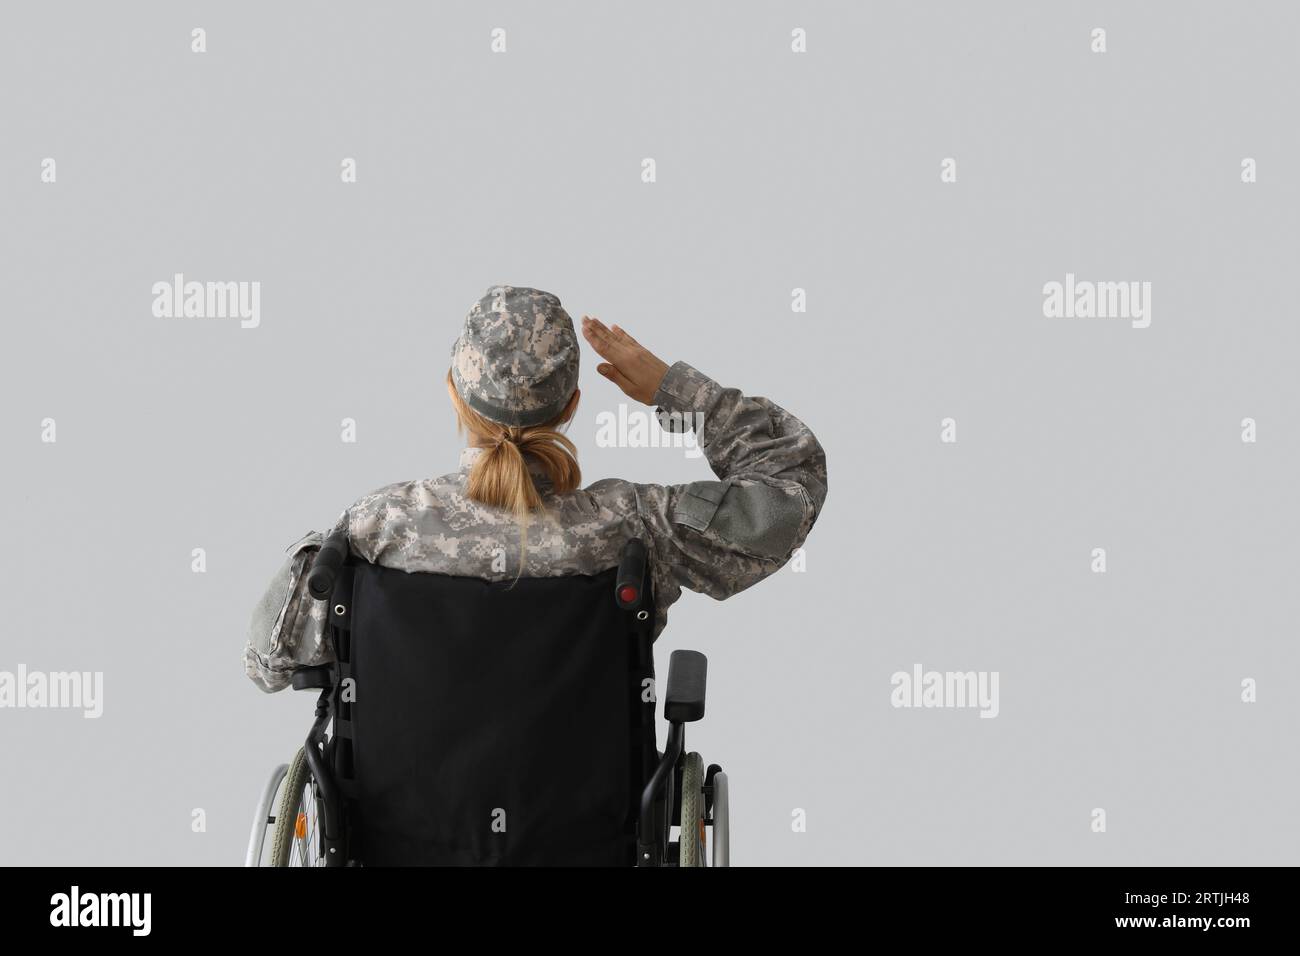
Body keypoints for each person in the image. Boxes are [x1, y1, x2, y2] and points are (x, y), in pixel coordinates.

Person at [244, 285, 828, 692]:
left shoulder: (377, 527)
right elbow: (788, 495)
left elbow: (268, 663)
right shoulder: (634, 527)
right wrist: (679, 394)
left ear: (453, 390)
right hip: (585, 832)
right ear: (573, 404)